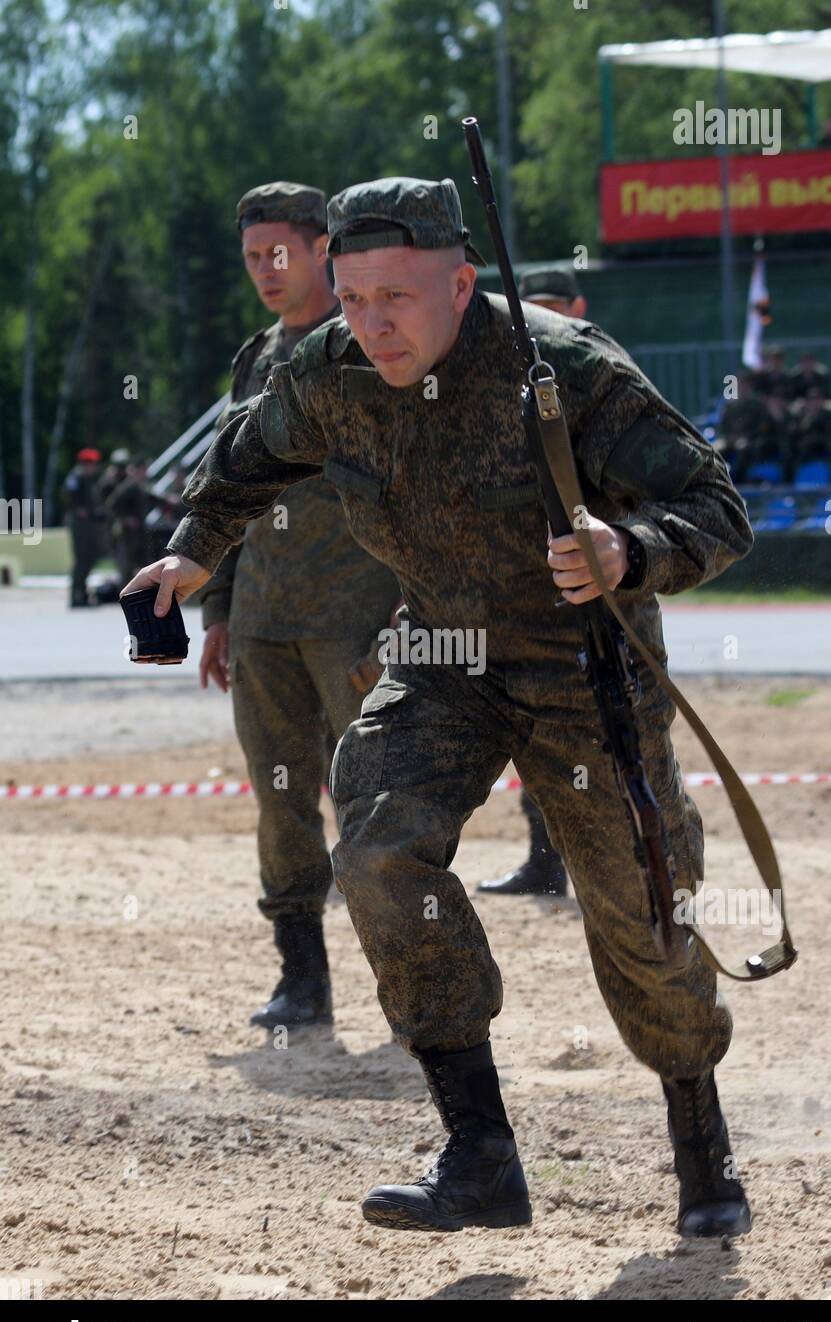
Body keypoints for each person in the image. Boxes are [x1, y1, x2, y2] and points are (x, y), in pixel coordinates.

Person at [124, 175, 755, 1241]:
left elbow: (716, 508)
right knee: (375, 847)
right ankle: (480, 1153)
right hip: (444, 654)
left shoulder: (565, 369)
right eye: (354, 296)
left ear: (463, 284)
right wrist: (192, 553)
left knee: (644, 922)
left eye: (398, 299)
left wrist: (626, 549)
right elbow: (246, 454)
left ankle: (698, 1128)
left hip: (582, 663)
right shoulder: (327, 371)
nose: (371, 324)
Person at [197, 181, 400, 1030]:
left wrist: (409, 608)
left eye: (278, 252)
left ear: (323, 247)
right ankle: (302, 979)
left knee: (379, 801)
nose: (264, 272)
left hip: (354, 615)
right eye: (250, 258)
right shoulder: (255, 358)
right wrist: (216, 607)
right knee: (280, 801)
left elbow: (410, 480)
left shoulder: (368, 342)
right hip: (264, 623)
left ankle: (409, 983)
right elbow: (227, 481)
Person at [477, 264, 586, 897]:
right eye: (528, 313)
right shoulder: (502, 391)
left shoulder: (600, 379)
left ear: (576, 306)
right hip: (519, 594)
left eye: (549, 310)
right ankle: (544, 862)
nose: (535, 329)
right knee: (527, 735)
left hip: (591, 599)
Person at [106, 459, 162, 584]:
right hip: (128, 533)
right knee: (127, 565)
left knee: (143, 562)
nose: (144, 473)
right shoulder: (127, 487)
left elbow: (154, 498)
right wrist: (125, 519)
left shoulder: (140, 486)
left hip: (140, 531)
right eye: (142, 470)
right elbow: (111, 504)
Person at [64, 447, 104, 607]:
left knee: (88, 557)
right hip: (80, 524)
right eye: (92, 463)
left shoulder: (86, 478)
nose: (94, 466)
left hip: (88, 524)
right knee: (81, 558)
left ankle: (82, 593)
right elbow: (69, 493)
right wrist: (77, 508)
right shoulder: (77, 475)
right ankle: (76, 596)